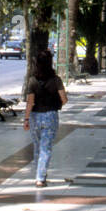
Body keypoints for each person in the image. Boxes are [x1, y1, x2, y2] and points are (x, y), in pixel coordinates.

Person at [23, 49, 67, 186]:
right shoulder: (56, 80)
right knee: (46, 147)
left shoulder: (32, 81)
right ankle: (40, 177)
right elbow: (64, 99)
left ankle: (39, 173)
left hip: (35, 117)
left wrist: (26, 119)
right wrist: (57, 103)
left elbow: (30, 102)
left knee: (37, 146)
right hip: (51, 116)